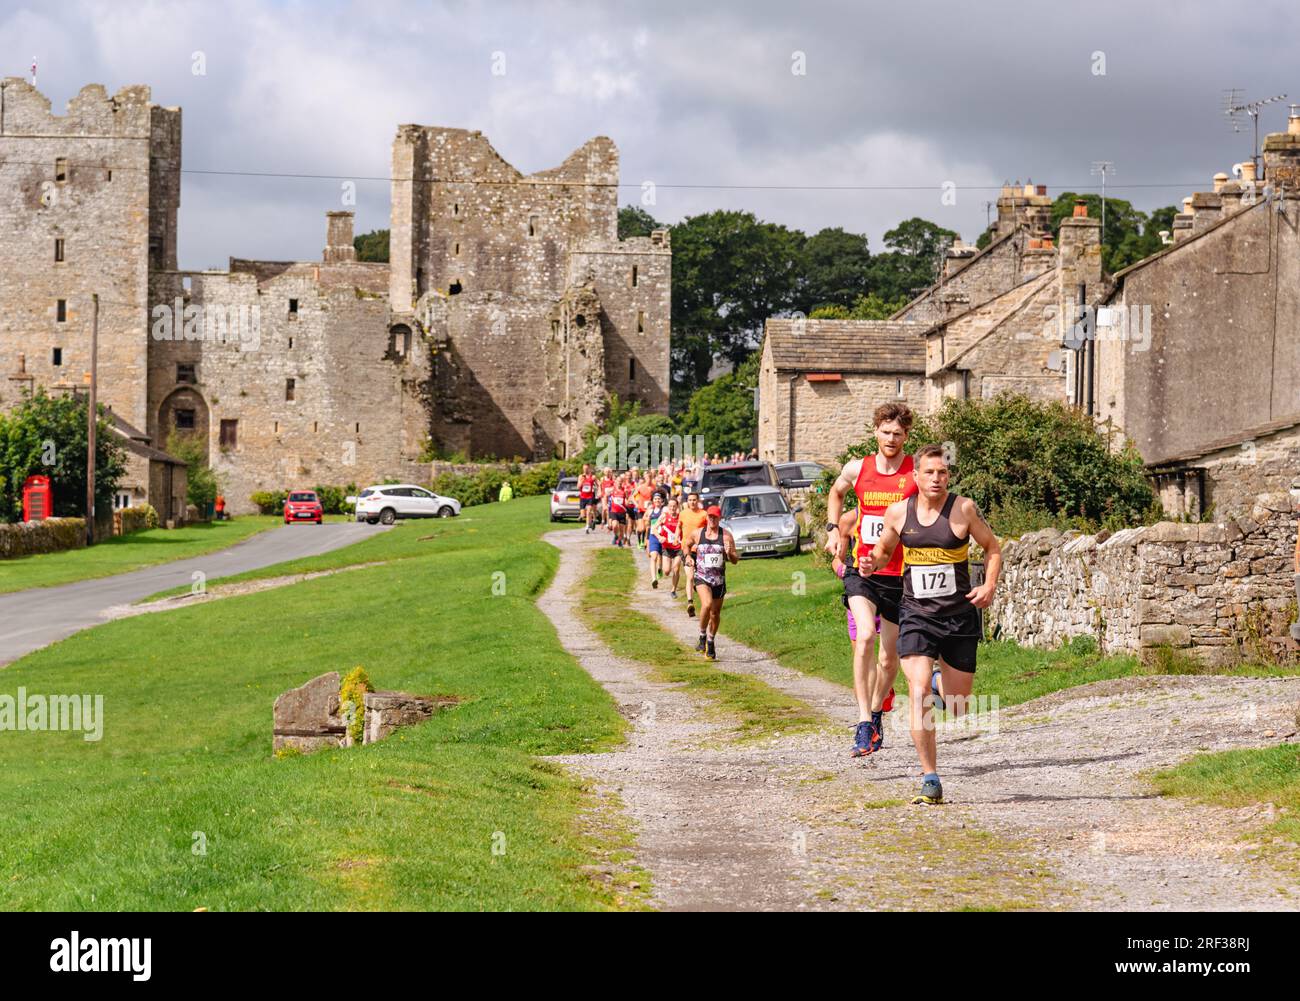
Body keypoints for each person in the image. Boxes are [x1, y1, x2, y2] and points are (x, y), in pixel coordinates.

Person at [862, 443, 1002, 806]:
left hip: (958, 618)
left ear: (948, 476)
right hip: (917, 615)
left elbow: (993, 548)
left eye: (942, 472)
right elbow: (883, 552)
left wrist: (987, 585)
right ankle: (930, 778)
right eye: (929, 472)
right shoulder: (898, 513)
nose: (936, 478)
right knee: (919, 690)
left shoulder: (963, 509)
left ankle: (942, 681)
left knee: (957, 706)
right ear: (916, 476)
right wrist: (870, 563)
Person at [825, 403, 917, 758]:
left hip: (900, 574)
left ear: (906, 436)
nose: (891, 439)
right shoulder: (857, 468)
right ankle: (863, 721)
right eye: (885, 431)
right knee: (864, 635)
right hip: (862, 569)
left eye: (898, 433)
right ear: (875, 431)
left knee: (888, 661)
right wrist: (833, 529)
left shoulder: (915, 471)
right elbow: (836, 492)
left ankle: (877, 713)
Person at [684, 504, 738, 660]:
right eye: (710, 516)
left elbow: (735, 560)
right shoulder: (698, 534)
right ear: (706, 517)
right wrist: (688, 557)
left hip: (719, 580)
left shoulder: (726, 536)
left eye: (715, 517)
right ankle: (702, 635)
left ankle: (710, 640)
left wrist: (729, 553)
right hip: (702, 577)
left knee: (715, 614)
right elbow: (686, 545)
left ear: (719, 518)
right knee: (706, 604)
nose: (712, 519)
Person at [679, 491, 709, 618]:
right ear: (687, 501)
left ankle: (704, 600)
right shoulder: (683, 514)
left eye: (694, 500)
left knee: (702, 578)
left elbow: (709, 530)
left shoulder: (703, 514)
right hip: (686, 550)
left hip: (701, 551)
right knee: (690, 576)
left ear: (698, 501)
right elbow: (679, 527)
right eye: (690, 500)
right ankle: (690, 603)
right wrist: (677, 538)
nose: (692, 502)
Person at [656, 497, 685, 598]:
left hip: (678, 547)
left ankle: (673, 590)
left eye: (674, 506)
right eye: (670, 506)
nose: (672, 508)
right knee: (667, 571)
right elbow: (654, 528)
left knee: (676, 568)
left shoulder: (681, 517)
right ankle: (663, 570)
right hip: (667, 547)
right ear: (668, 507)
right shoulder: (664, 516)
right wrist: (659, 537)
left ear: (677, 506)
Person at [645, 492, 667, 587]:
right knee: (653, 556)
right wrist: (647, 540)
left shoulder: (664, 510)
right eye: (655, 499)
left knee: (660, 556)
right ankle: (654, 579)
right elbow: (647, 525)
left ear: (662, 500)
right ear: (653, 501)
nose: (657, 500)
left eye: (658, 499)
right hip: (653, 536)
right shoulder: (650, 511)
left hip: (662, 536)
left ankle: (660, 568)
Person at [608, 476, 629, 547]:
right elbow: (606, 495)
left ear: (622, 482)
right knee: (614, 526)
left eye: (620, 481)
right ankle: (616, 536)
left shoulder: (624, 491)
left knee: (621, 530)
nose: (619, 483)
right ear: (615, 482)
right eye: (618, 481)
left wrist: (627, 502)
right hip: (614, 511)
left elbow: (626, 500)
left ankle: (619, 541)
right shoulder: (612, 490)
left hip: (622, 512)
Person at [578, 464, 598, 533]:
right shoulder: (581, 476)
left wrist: (600, 491)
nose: (585, 470)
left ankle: (587, 527)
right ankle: (591, 522)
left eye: (586, 468)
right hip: (582, 497)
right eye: (584, 469)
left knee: (588, 511)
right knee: (583, 515)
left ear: (589, 469)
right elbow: (578, 487)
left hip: (590, 497)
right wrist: (581, 481)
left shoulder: (592, 477)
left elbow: (599, 484)